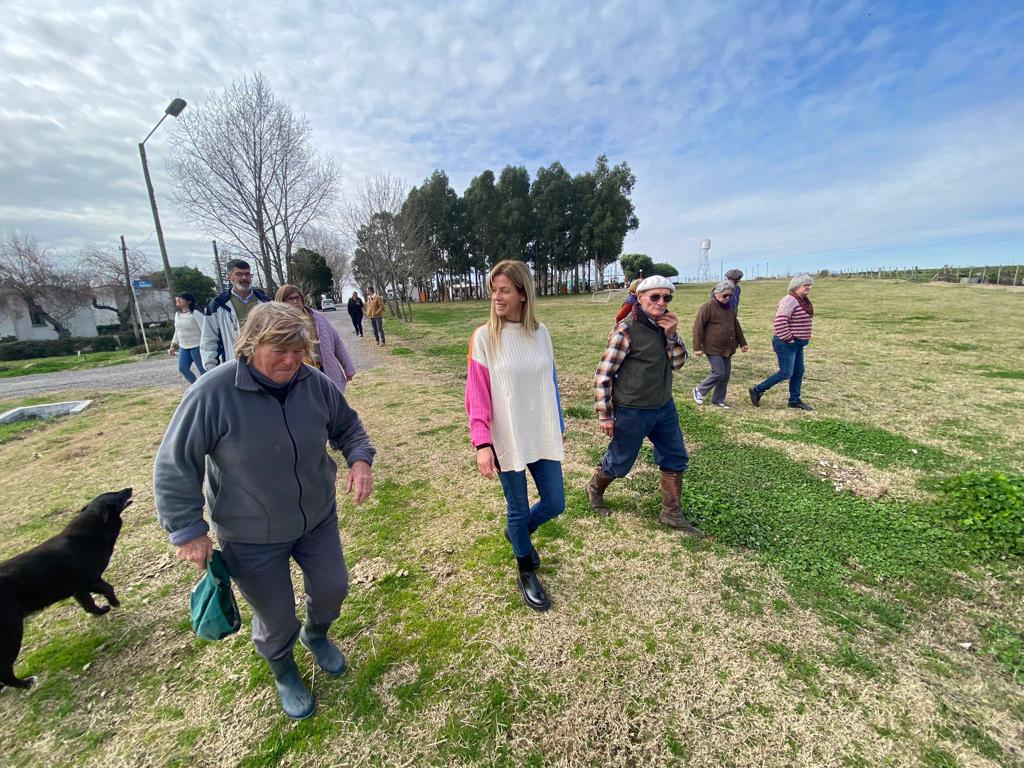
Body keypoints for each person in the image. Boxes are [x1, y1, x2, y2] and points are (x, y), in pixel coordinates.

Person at [154, 302, 375, 720]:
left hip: (316, 518)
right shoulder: (213, 393)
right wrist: (187, 528)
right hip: (250, 533)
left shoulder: (315, 383)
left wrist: (359, 459)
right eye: (280, 351)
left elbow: (348, 427)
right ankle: (283, 668)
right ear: (251, 345)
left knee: (333, 588)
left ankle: (316, 634)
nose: (291, 361)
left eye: (298, 350)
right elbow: (175, 462)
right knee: (276, 617)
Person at [466, 260, 565, 612]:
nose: (496, 296)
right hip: (506, 437)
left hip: (540, 430)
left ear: (523, 294)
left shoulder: (541, 333)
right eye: (493, 290)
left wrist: (558, 424)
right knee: (518, 508)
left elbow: (550, 382)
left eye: (504, 290)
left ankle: (517, 533)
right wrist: (482, 443)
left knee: (555, 502)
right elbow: (476, 395)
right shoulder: (484, 338)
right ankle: (525, 570)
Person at [588, 275, 704, 536]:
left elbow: (678, 363)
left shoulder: (666, 326)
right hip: (632, 409)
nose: (661, 302)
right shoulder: (626, 329)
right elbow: (603, 375)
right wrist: (605, 415)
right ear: (639, 298)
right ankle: (595, 488)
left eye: (666, 297)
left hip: (664, 407)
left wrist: (671, 335)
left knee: (675, 457)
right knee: (620, 461)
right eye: (655, 297)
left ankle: (671, 513)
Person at [749, 274, 815, 411]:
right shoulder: (789, 300)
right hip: (786, 343)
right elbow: (780, 322)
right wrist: (789, 339)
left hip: (798, 343)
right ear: (796, 286)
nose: (809, 287)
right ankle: (757, 390)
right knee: (786, 372)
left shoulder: (803, 301)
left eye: (810, 285)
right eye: (805, 285)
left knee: (798, 372)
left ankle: (794, 400)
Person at [276, 285, 356, 394]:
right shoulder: (277, 326)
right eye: (290, 299)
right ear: (281, 302)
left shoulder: (317, 318)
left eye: (297, 297)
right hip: (299, 378)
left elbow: (336, 341)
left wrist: (348, 368)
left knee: (332, 401)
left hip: (325, 371)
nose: (295, 301)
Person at [200, 259, 270, 370]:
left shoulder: (266, 303)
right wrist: (211, 367)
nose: (244, 278)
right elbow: (209, 339)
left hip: (263, 361)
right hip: (235, 362)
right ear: (230, 277)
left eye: (247, 274)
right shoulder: (218, 305)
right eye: (239, 274)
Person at [691, 280, 748, 408]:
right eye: (724, 295)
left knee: (725, 376)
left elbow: (736, 326)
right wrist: (697, 347)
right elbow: (698, 327)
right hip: (713, 347)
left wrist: (742, 343)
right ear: (716, 294)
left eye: (730, 295)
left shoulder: (729, 308)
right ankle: (699, 390)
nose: (727, 298)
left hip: (728, 347)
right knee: (718, 372)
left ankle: (718, 399)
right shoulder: (707, 307)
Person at [167, 292, 206, 385]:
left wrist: (206, 345)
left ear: (189, 301)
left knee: (203, 370)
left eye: (181, 298)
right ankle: (195, 387)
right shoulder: (177, 315)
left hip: (197, 346)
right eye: (177, 299)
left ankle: (208, 388)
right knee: (182, 368)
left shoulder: (195, 314)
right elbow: (177, 331)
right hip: (184, 347)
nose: (178, 300)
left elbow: (205, 330)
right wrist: (173, 345)